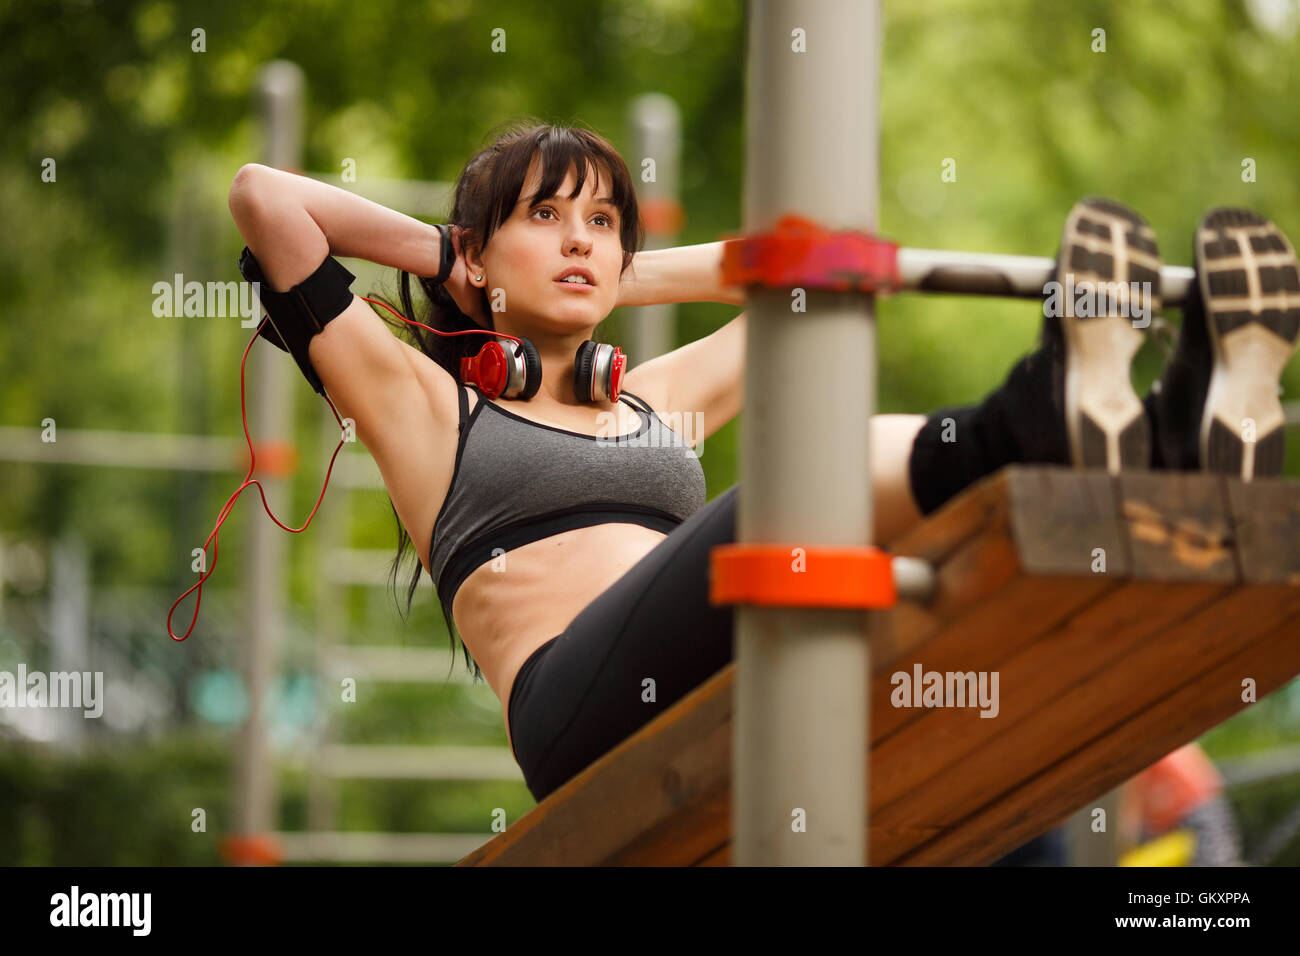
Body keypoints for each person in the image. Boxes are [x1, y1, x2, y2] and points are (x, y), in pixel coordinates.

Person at [227, 120, 1300, 805]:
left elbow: (809, 275)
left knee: (829, 447)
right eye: (544, 216)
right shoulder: (422, 405)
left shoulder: (657, 398)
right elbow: (267, 199)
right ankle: (1042, 416)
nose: (577, 238)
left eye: (601, 219)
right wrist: (452, 251)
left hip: (727, 664)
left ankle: (1165, 433)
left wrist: (617, 277)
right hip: (574, 713)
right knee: (796, 481)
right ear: (474, 250)